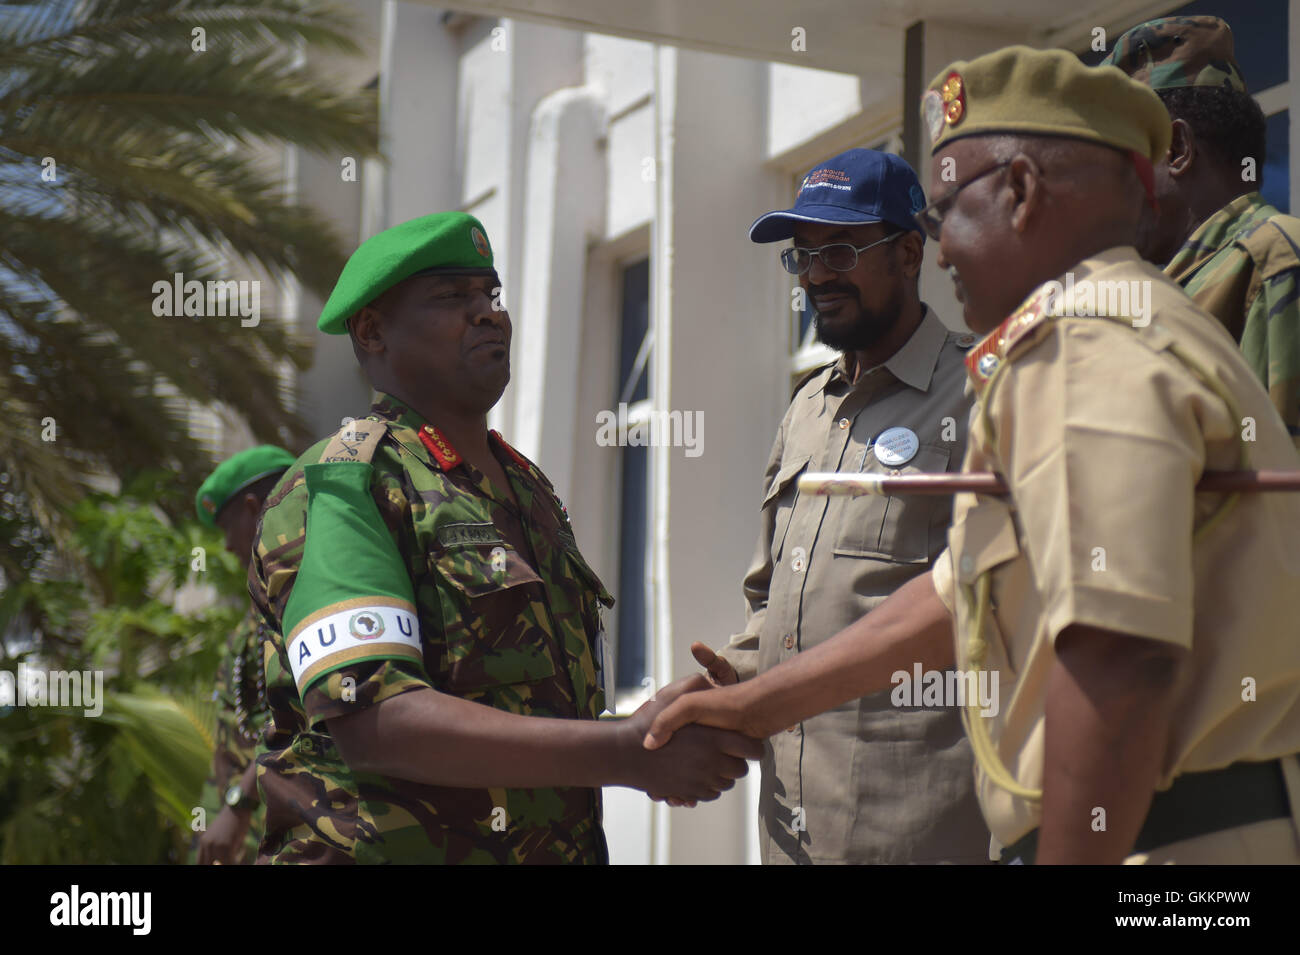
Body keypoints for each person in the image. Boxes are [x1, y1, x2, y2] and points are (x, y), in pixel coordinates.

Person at [643, 46, 1300, 865]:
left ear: (1021, 192)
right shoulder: (1132, 333)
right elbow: (950, 599)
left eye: (945, 212)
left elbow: (1120, 657)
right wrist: (751, 706)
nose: (942, 248)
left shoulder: (1082, 351)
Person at [249, 211, 762, 864]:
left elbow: (530, 709)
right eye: (451, 298)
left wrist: (648, 733)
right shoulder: (346, 484)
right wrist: (624, 751)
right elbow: (374, 718)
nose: (487, 313)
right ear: (373, 331)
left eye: (490, 295)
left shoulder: (525, 485)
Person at [692, 148, 988, 863]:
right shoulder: (806, 411)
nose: (818, 274)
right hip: (790, 835)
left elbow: (986, 604)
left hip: (922, 838)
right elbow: (772, 603)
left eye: (843, 249)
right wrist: (724, 683)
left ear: (911, 251)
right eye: (804, 256)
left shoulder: (985, 393)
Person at [1104, 16, 1300, 447]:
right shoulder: (1176, 280)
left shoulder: (1272, 261)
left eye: (1120, 159)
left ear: (1177, 150)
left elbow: (1280, 487)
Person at [193, 444, 295, 865]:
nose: (228, 548)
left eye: (226, 529)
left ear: (254, 510)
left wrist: (238, 803)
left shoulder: (308, 601)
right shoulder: (252, 622)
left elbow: (303, 711)